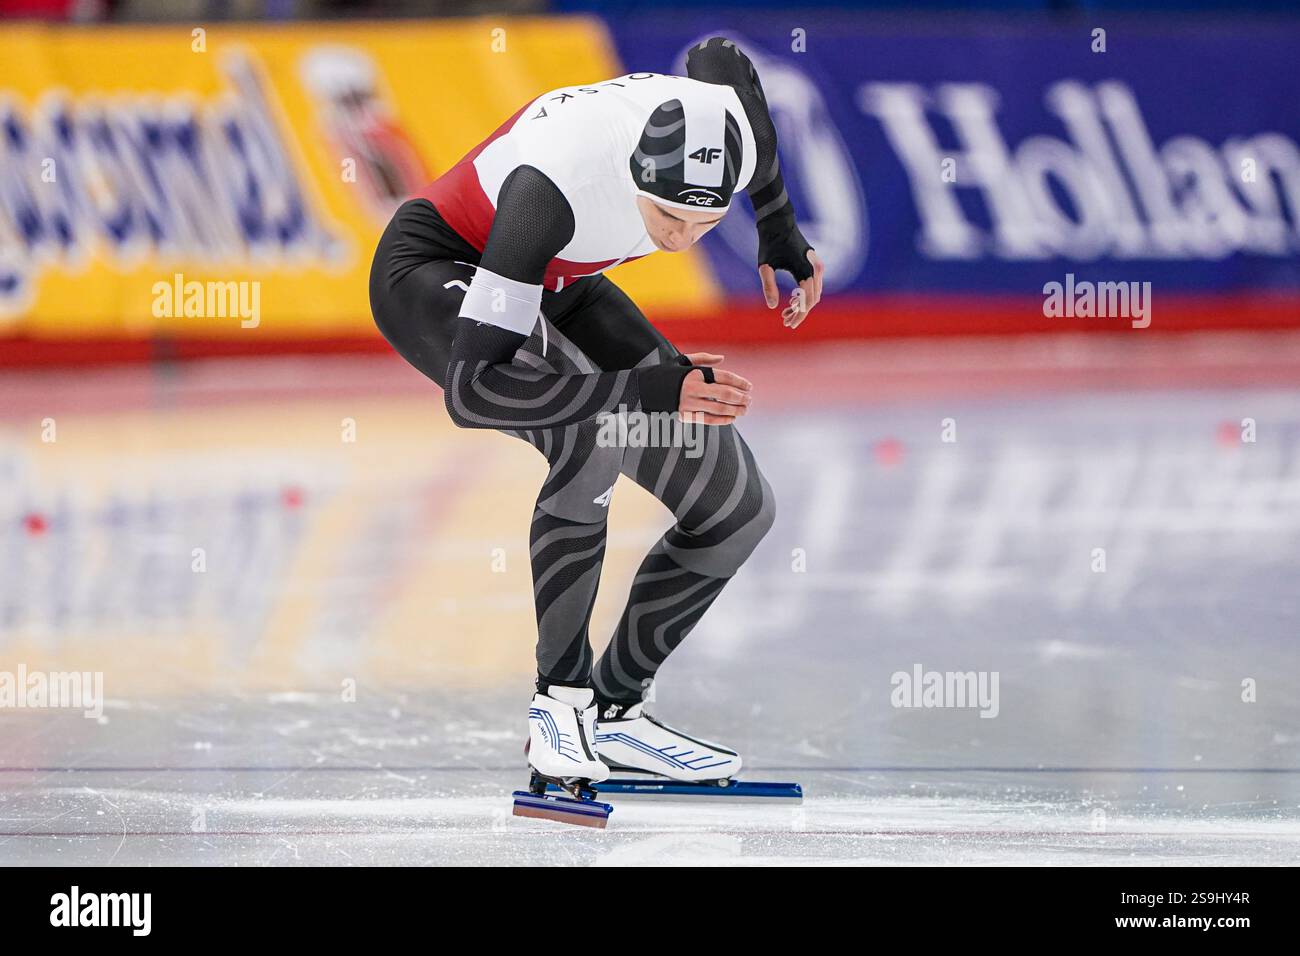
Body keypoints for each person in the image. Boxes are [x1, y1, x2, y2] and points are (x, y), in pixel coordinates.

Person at [369, 37, 823, 792]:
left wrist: (776, 225)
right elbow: (473, 392)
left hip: (565, 279)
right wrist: (649, 393)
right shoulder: (552, 187)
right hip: (449, 265)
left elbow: (723, 59)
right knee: (592, 433)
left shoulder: (730, 140)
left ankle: (615, 713)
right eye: (667, 216)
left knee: (738, 508)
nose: (679, 238)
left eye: (702, 226)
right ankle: (560, 706)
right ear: (633, 177)